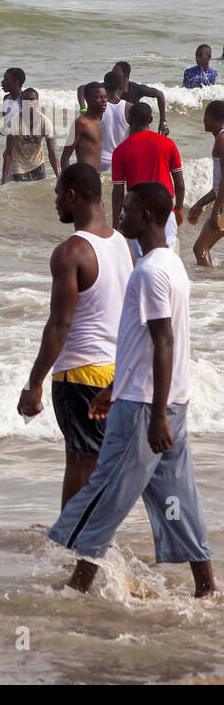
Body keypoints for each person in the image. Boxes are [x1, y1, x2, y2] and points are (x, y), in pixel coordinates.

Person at [48, 181, 214, 598]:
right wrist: (117, 388)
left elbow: (163, 342)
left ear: (146, 217)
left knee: (107, 489)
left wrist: (153, 414)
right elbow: (146, 342)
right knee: (178, 496)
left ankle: (78, 584)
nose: (119, 214)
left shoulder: (150, 272)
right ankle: (206, 586)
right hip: (166, 399)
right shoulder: (171, 264)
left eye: (128, 210)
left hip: (146, 408)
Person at [18, 164, 134, 509]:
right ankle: (80, 537)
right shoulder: (122, 243)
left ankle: (80, 541)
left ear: (71, 194)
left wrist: (34, 383)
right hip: (115, 375)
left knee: (82, 463)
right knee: (93, 462)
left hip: (79, 376)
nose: (55, 203)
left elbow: (59, 325)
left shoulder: (71, 252)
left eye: (57, 195)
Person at [110, 102, 184, 253]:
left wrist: (116, 222)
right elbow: (180, 183)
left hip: (137, 212)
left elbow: (118, 191)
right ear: (151, 120)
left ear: (128, 120)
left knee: (141, 260)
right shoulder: (168, 144)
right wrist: (179, 208)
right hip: (165, 211)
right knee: (167, 257)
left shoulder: (120, 150)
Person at [187, 100, 224, 266]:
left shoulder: (222, 139)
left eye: (205, 116)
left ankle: (209, 284)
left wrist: (217, 210)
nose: (204, 120)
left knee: (201, 248)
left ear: (209, 117)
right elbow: (218, 185)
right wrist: (200, 204)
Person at [0, 87, 58, 184]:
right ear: (21, 103)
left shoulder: (45, 122)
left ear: (37, 102)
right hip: (18, 166)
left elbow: (52, 152)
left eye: (32, 100)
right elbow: (8, 153)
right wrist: (4, 179)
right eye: (26, 100)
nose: (29, 103)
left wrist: (59, 176)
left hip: (37, 164)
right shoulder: (14, 122)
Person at [111, 61, 168, 136]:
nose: (112, 74)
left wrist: (162, 121)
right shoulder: (109, 88)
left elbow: (160, 95)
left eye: (115, 72)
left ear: (126, 75)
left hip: (132, 129)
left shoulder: (136, 89)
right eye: (112, 72)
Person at [61, 82, 106, 173]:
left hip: (97, 176)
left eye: (105, 97)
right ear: (88, 100)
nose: (103, 100)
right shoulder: (81, 123)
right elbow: (65, 157)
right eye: (98, 97)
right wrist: (66, 181)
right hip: (85, 175)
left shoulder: (100, 120)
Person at [97, 70, 131, 172]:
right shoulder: (129, 107)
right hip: (122, 161)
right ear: (121, 86)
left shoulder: (99, 108)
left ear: (104, 87)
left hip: (101, 160)